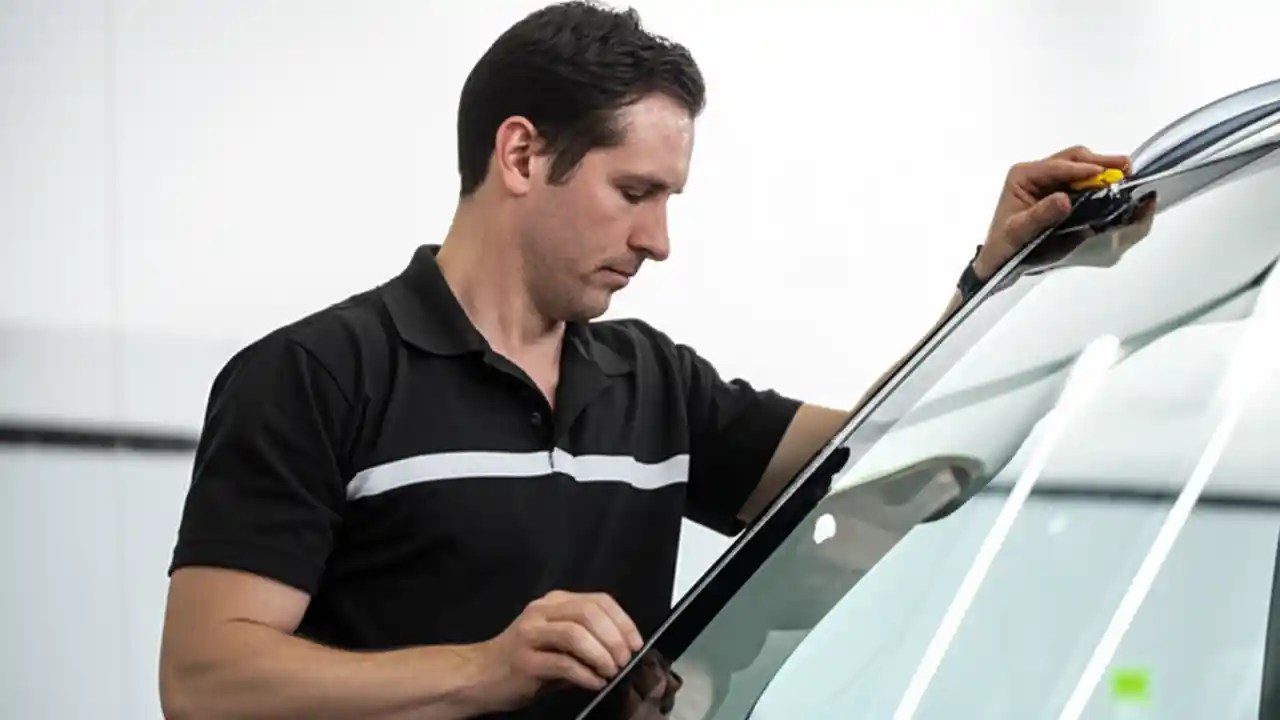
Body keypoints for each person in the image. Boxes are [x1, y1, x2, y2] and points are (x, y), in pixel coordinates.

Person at [157, 2, 1132, 718]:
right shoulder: (314, 377)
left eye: (669, 198)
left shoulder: (652, 383)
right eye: (634, 191)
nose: (657, 238)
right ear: (521, 155)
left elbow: (883, 463)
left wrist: (995, 280)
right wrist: (484, 668)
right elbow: (203, 678)